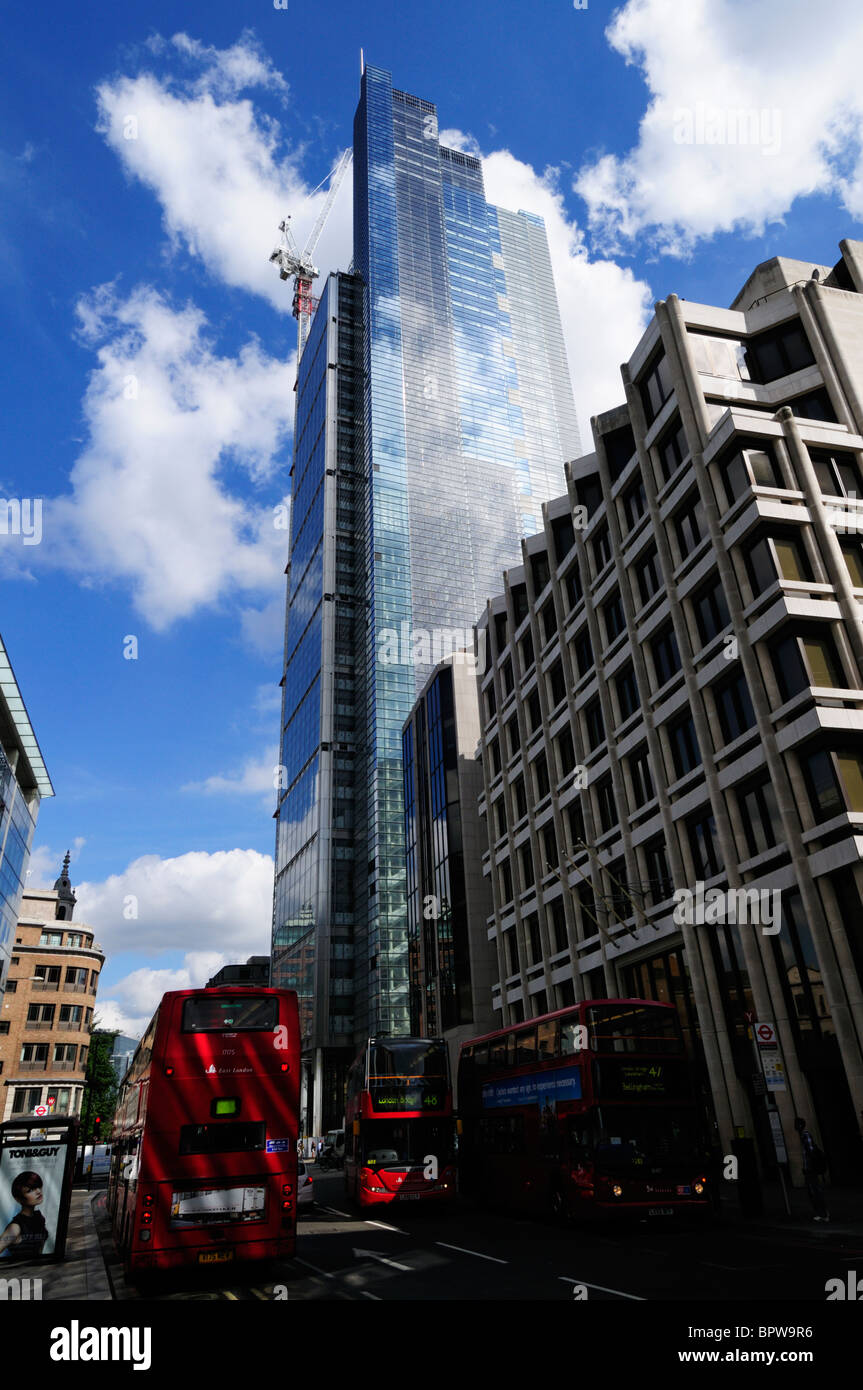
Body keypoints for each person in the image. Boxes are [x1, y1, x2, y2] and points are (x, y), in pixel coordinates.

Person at [0, 1171, 49, 1261]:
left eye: (38, 1186)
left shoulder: (39, 1218)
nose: (38, 1191)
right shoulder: (16, 1227)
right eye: (30, 1190)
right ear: (19, 1199)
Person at [794, 1117, 830, 1221]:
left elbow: (811, 1152)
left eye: (797, 1125)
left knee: (815, 1191)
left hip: (811, 1169)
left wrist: (809, 1167)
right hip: (808, 1169)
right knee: (812, 1192)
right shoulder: (803, 1136)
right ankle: (821, 1213)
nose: (795, 1127)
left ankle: (823, 1213)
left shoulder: (805, 1135)